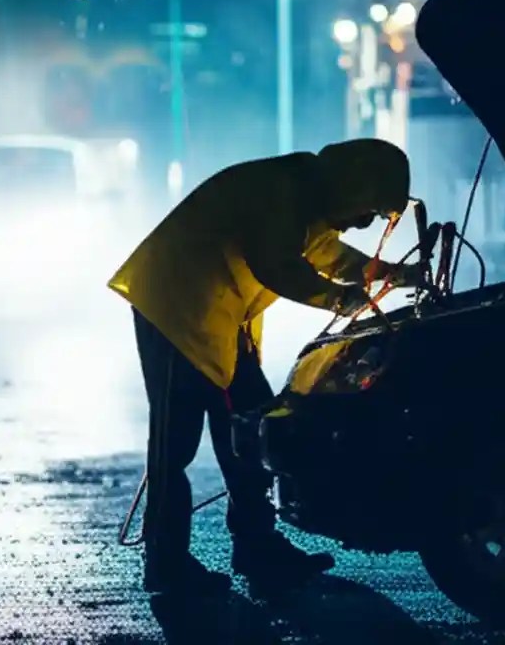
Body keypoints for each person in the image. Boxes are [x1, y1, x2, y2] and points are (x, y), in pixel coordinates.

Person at [108, 138, 425, 595]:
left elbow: (328, 257)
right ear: (351, 188)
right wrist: (340, 298)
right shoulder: (280, 191)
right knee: (175, 447)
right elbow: (277, 264)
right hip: (177, 309)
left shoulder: (307, 198)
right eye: (367, 212)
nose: (361, 224)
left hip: (219, 315)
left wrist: (394, 274)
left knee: (250, 426)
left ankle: (257, 547)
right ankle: (166, 563)